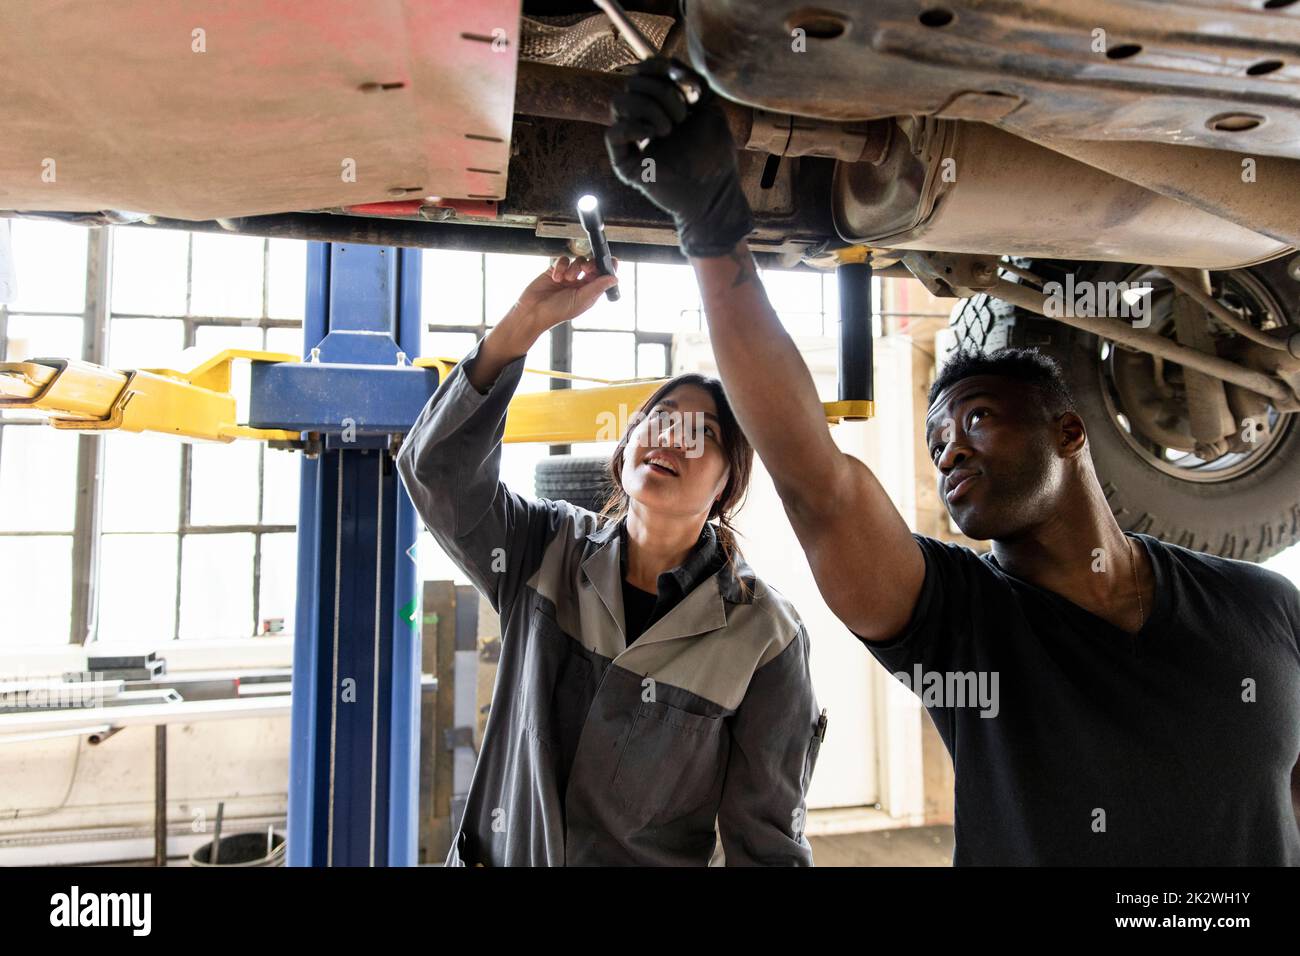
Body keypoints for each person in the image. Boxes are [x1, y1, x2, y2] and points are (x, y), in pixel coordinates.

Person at [605, 57, 1300, 865]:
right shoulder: (962, 627)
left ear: (1071, 433)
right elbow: (817, 484)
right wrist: (714, 229)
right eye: (935, 444)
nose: (951, 450)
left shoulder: (1263, 606)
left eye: (975, 420)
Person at [395, 254, 823, 866]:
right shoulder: (543, 549)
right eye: (661, 418)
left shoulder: (764, 638)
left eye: (702, 435)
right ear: (626, 450)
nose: (674, 437)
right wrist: (525, 321)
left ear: (728, 484)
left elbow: (767, 843)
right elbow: (435, 469)